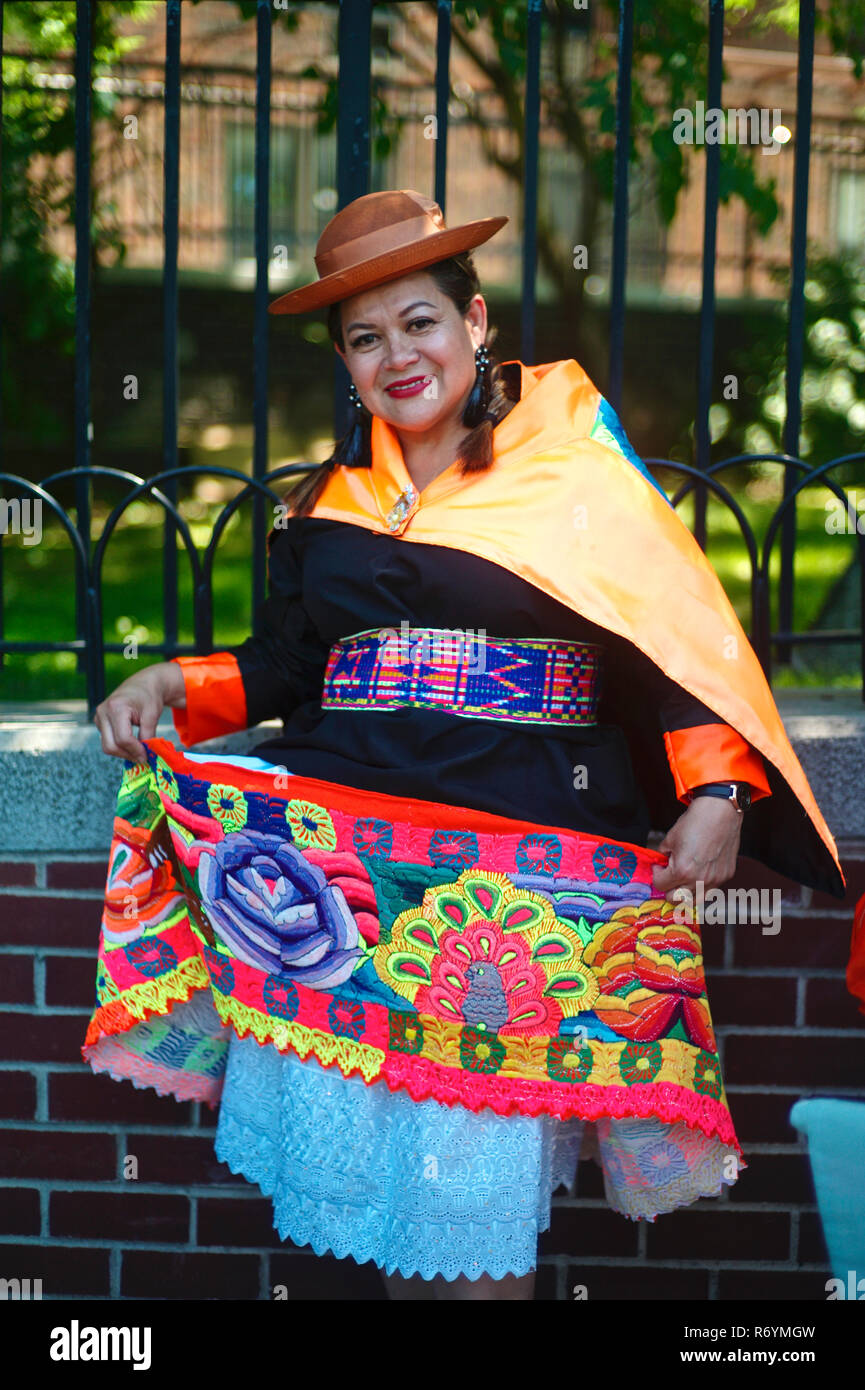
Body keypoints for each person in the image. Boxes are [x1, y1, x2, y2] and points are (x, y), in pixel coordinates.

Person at [88, 189, 845, 1302]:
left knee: (472, 1238)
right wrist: (176, 683)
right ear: (344, 363)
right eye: (363, 337)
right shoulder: (325, 507)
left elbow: (666, 644)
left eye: (419, 322)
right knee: (397, 1231)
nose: (396, 354)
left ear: (476, 320)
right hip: (353, 898)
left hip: (509, 906)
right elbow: (286, 671)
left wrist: (718, 787)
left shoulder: (571, 474)